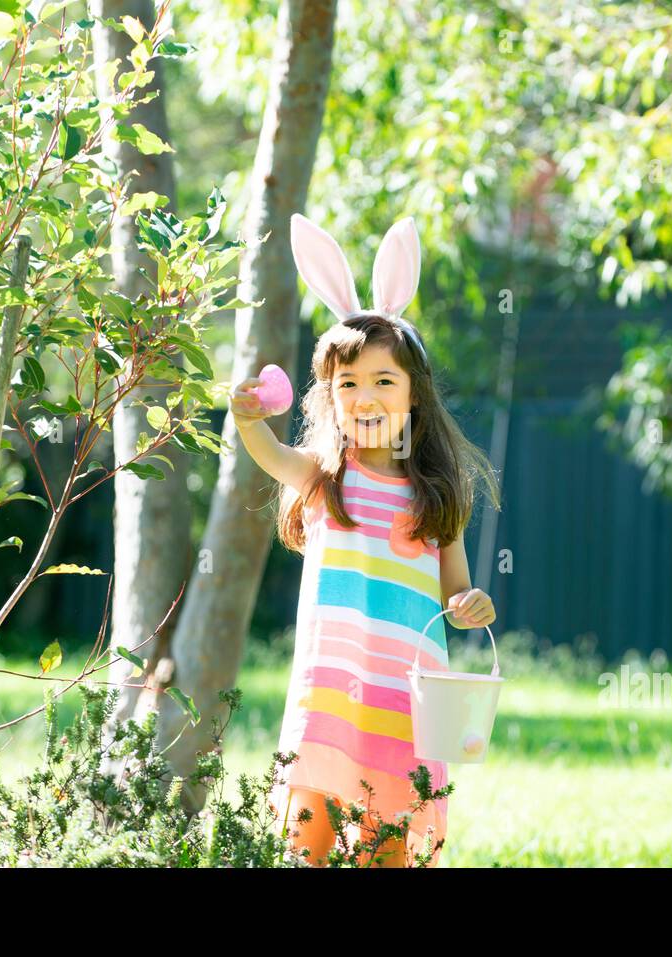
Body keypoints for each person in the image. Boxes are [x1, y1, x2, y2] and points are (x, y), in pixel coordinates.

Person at [229, 213, 502, 867]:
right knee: (308, 846)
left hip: (404, 704)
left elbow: (455, 589)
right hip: (329, 695)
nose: (365, 395)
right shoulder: (328, 476)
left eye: (384, 381)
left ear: (413, 396)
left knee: (385, 851)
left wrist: (473, 605)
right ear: (331, 395)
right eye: (347, 384)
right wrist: (247, 417)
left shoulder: (434, 494)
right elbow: (272, 457)